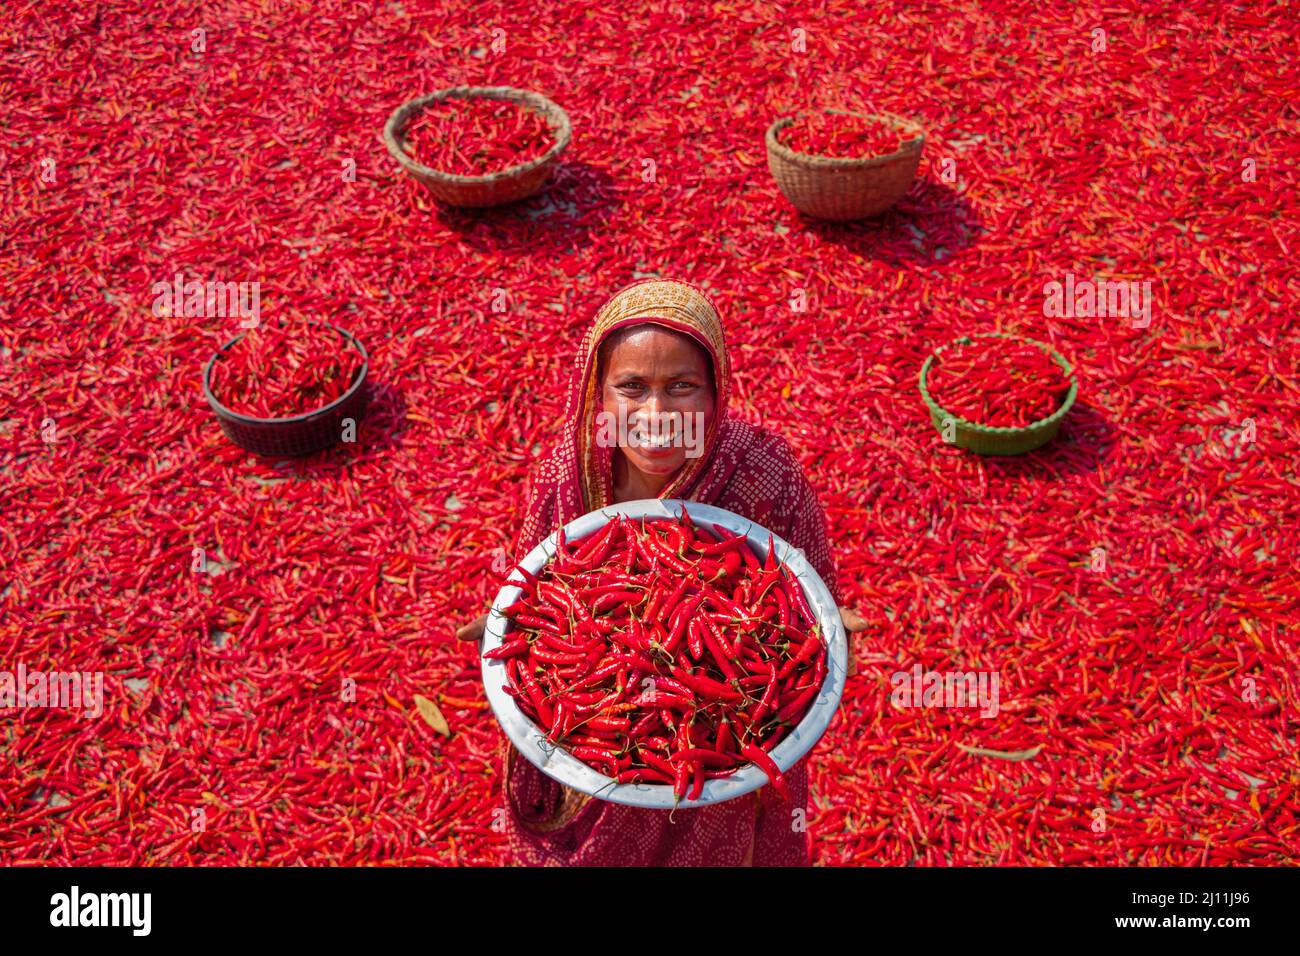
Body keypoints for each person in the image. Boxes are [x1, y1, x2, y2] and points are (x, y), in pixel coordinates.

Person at [456, 278, 866, 865]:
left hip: (721, 754)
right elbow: (537, 584)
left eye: (683, 388)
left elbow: (805, 597)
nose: (657, 415)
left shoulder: (765, 472)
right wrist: (504, 617)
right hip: (602, 746)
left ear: (717, 389)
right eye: (631, 387)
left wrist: (830, 623)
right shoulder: (566, 473)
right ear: (598, 393)